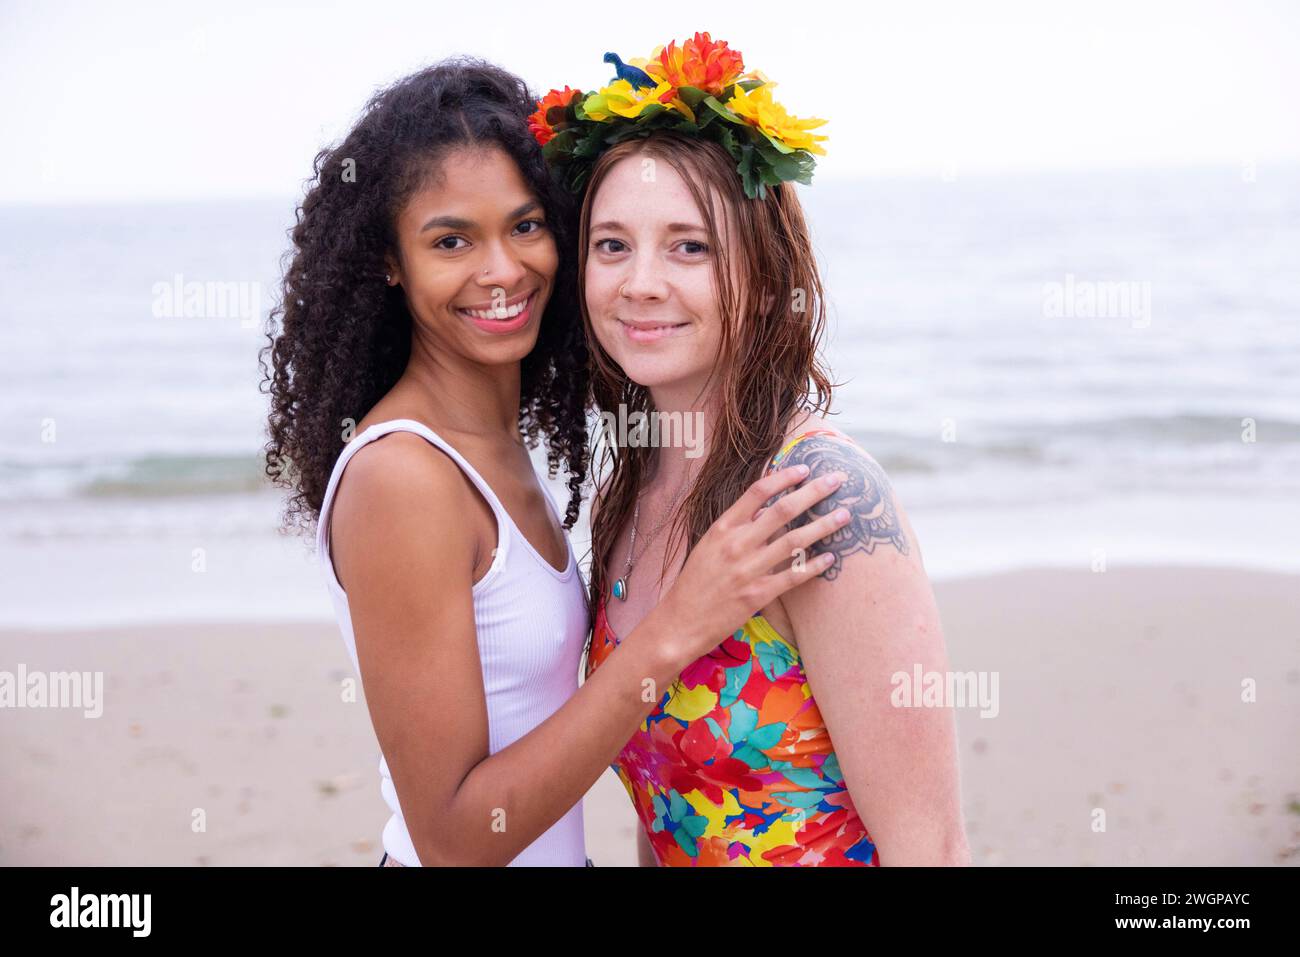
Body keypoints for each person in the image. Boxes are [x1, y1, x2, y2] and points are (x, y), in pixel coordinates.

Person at [262, 57, 848, 866]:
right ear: (390, 263)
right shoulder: (404, 477)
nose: (502, 270)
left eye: (526, 225)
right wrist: (678, 625)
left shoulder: (491, 445)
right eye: (451, 240)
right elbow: (455, 838)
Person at [534, 33, 972, 865]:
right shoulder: (628, 488)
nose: (641, 283)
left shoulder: (819, 498)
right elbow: (664, 811)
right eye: (612, 244)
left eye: (688, 245)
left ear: (766, 276)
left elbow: (933, 848)